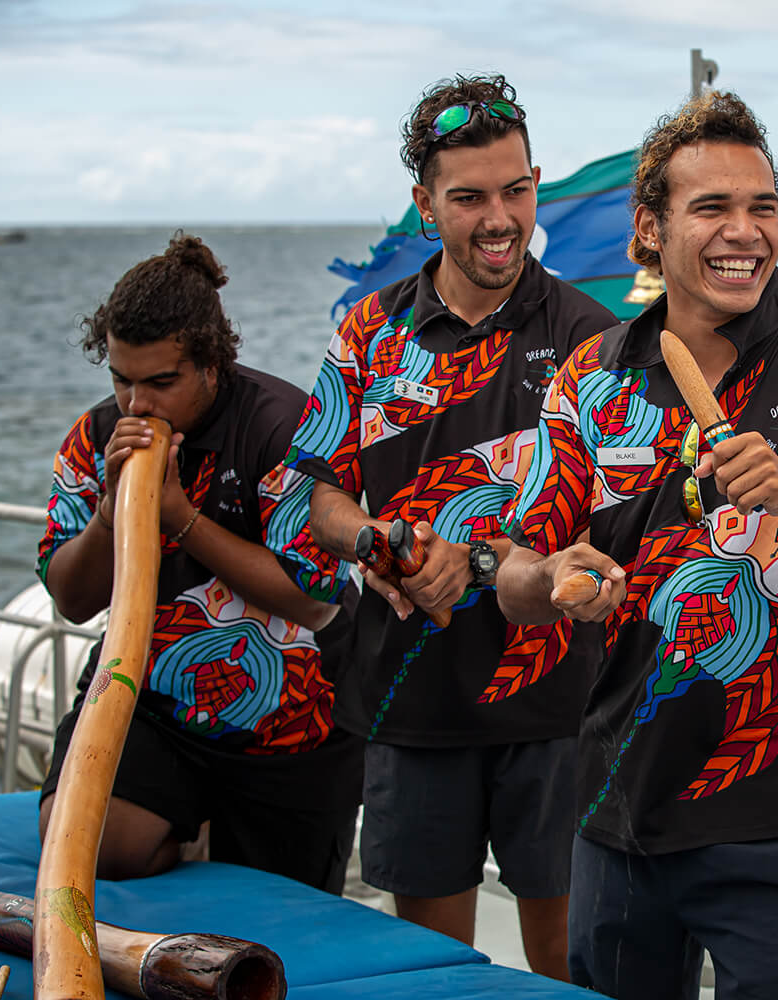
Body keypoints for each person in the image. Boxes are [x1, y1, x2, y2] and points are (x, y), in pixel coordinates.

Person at [495, 91, 778, 1000]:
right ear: (651, 230)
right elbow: (511, 579)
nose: (746, 232)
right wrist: (553, 577)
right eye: (712, 208)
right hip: (616, 813)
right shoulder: (591, 376)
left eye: (763, 207)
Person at [272, 74, 615, 979]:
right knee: (433, 973)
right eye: (468, 197)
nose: (498, 217)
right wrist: (378, 545)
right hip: (409, 701)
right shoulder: (365, 337)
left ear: (536, 184)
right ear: (425, 205)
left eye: (515, 190)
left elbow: (620, 528)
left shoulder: (599, 341)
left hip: (559, 706)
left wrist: (487, 558)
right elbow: (316, 496)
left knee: (567, 968)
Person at [37, 233, 361, 893]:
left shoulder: (284, 429)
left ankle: (219, 832)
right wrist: (111, 511)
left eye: (161, 383)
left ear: (213, 365)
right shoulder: (97, 436)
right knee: (80, 843)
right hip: (152, 704)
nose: (139, 406)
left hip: (293, 720)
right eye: (122, 381)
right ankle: (186, 830)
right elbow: (71, 600)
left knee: (280, 909)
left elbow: (313, 599)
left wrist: (180, 517)